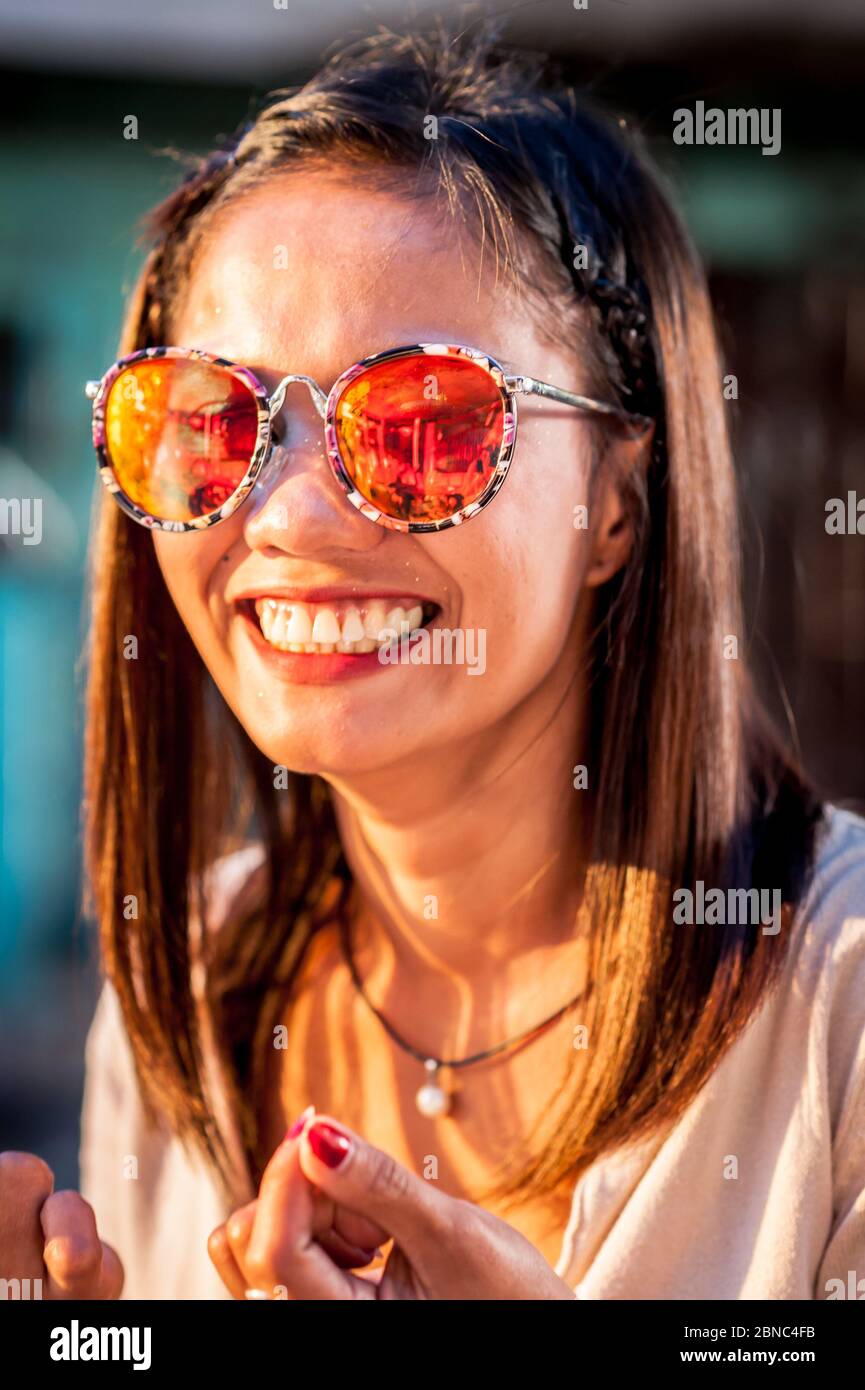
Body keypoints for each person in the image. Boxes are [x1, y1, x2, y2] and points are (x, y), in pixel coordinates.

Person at [3, 22, 864, 1301]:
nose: (286, 516)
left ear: (616, 503)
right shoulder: (195, 971)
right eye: (211, 422)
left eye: (422, 425)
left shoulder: (834, 1013)